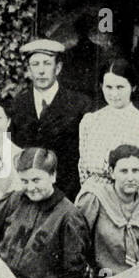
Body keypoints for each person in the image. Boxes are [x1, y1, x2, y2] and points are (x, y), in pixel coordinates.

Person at [0, 148, 91, 278]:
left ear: (52, 176)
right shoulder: (15, 199)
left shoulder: (68, 215)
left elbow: (73, 272)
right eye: (24, 181)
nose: (30, 187)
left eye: (36, 180)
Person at [76, 59, 139, 200]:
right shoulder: (90, 122)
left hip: (128, 204)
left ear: (133, 87)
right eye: (108, 87)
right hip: (92, 202)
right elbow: (83, 170)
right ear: (101, 86)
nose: (114, 94)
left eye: (120, 87)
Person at [8, 39, 92, 200]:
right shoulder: (19, 104)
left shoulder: (79, 104)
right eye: (35, 64)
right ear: (28, 70)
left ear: (58, 68)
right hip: (28, 195)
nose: (41, 71)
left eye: (47, 63)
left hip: (67, 196)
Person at [75, 144, 139, 278]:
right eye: (124, 171)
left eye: (135, 170)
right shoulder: (96, 199)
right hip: (105, 276)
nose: (130, 177)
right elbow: (77, 243)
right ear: (112, 172)